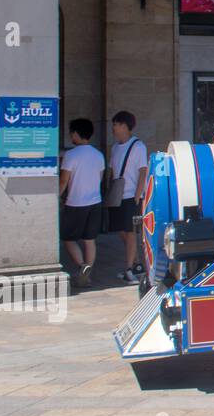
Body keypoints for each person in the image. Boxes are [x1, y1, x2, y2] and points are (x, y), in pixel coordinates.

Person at [60, 118, 105, 288]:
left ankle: (82, 266)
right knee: (89, 240)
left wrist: (57, 196)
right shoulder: (98, 155)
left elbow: (64, 181)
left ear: (77, 134)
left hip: (75, 202)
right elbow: (99, 178)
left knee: (68, 239)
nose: (71, 135)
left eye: (72, 132)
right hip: (95, 202)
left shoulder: (71, 155)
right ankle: (88, 274)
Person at [107, 111, 149, 284]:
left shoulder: (138, 146)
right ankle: (137, 263)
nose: (113, 129)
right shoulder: (115, 147)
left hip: (132, 195)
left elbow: (143, 171)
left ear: (125, 126)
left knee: (130, 233)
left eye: (116, 125)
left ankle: (129, 268)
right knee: (122, 232)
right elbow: (112, 171)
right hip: (118, 195)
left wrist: (138, 195)